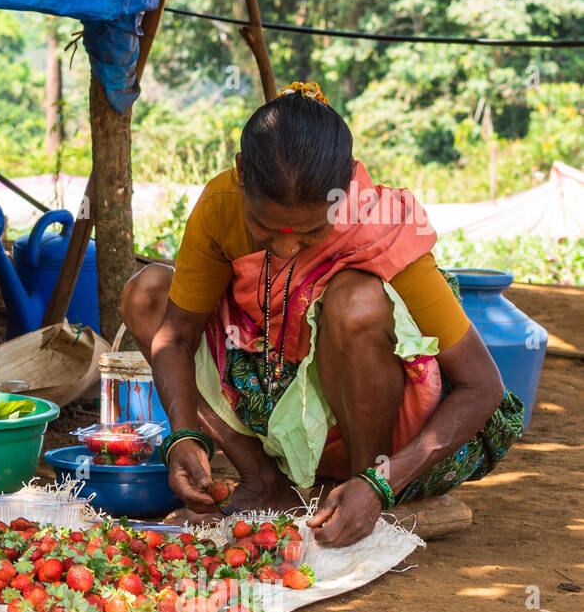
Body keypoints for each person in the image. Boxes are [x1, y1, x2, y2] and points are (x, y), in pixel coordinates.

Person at [121, 82, 523, 547]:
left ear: (346, 189)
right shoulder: (220, 205)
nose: (288, 246)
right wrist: (183, 435)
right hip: (271, 401)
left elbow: (483, 386)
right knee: (147, 293)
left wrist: (381, 482)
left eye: (311, 232)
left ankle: (358, 490)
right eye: (266, 228)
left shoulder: (384, 225)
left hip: (394, 434)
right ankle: (266, 483)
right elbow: (175, 338)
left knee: (358, 302)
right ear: (240, 175)